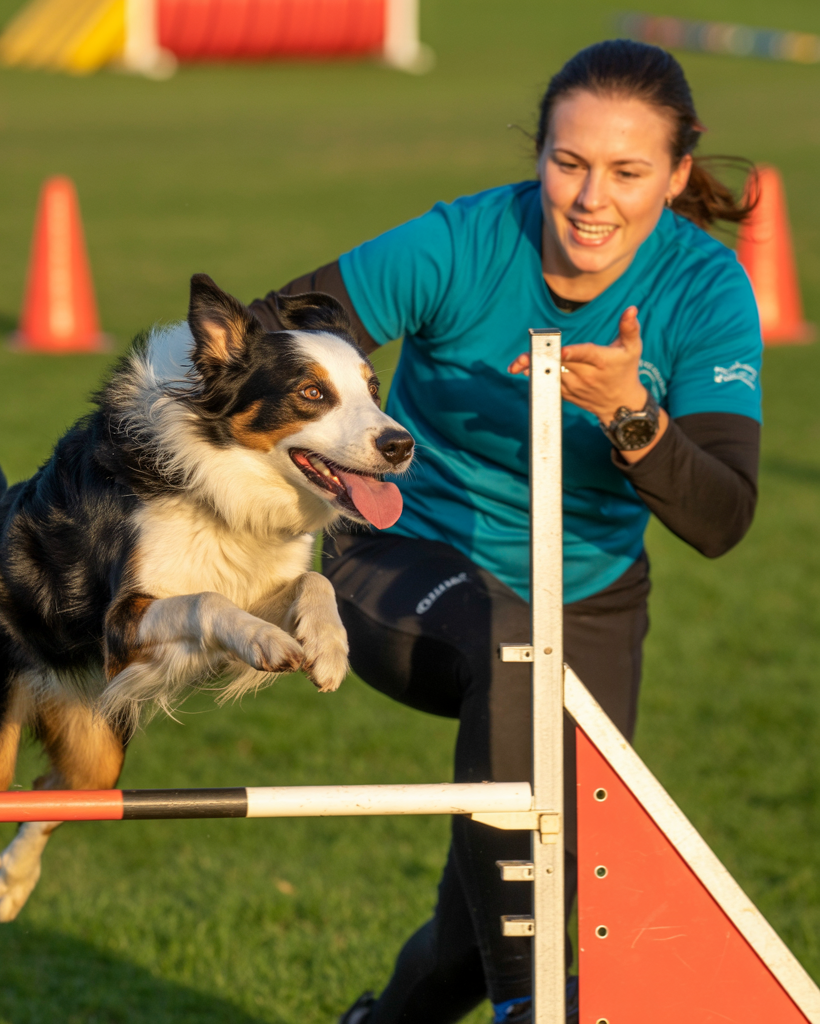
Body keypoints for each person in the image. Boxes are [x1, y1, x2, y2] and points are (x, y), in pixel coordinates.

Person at [250, 39, 762, 1024]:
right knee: (514, 655)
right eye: (569, 163)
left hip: (592, 597)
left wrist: (633, 419)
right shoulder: (458, 242)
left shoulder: (706, 290)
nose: (591, 200)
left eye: (627, 172)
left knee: (479, 931)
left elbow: (722, 518)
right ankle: (536, 1006)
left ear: (676, 176)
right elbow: (266, 333)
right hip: (404, 561)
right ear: (538, 156)